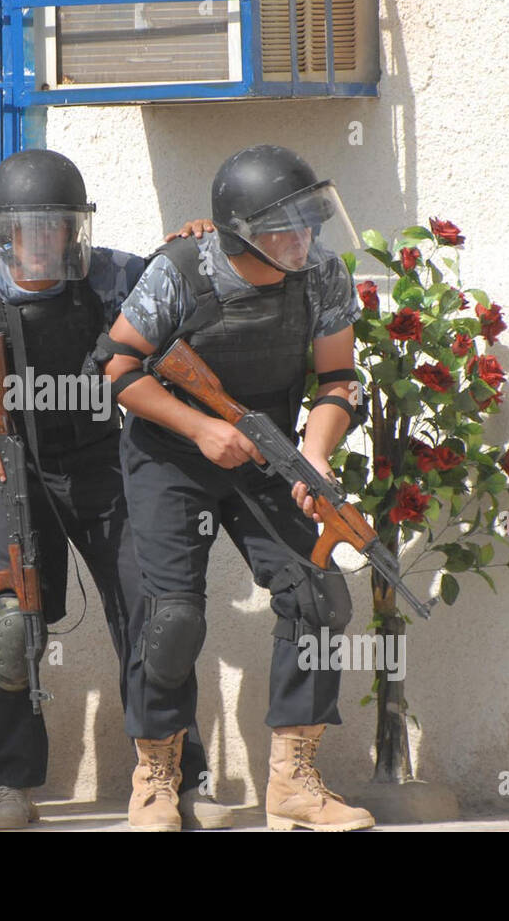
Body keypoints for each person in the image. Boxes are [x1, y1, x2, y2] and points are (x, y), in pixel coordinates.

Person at [0, 148, 231, 831]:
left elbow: (180, 286)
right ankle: (12, 783)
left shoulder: (110, 273)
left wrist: (194, 241)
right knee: (10, 623)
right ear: (5, 231)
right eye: (29, 227)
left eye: (57, 225)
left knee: (157, 615)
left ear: (74, 227)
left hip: (102, 461)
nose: (44, 239)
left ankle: (170, 778)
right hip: (8, 463)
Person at [100, 144, 376, 831]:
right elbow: (118, 369)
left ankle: (293, 783)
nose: (303, 238)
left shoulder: (321, 273)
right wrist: (199, 428)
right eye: (286, 227)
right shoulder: (180, 271)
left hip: (268, 451)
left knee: (318, 598)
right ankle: (156, 779)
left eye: (309, 221)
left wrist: (315, 456)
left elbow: (338, 379)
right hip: (171, 454)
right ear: (242, 232)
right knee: (172, 618)